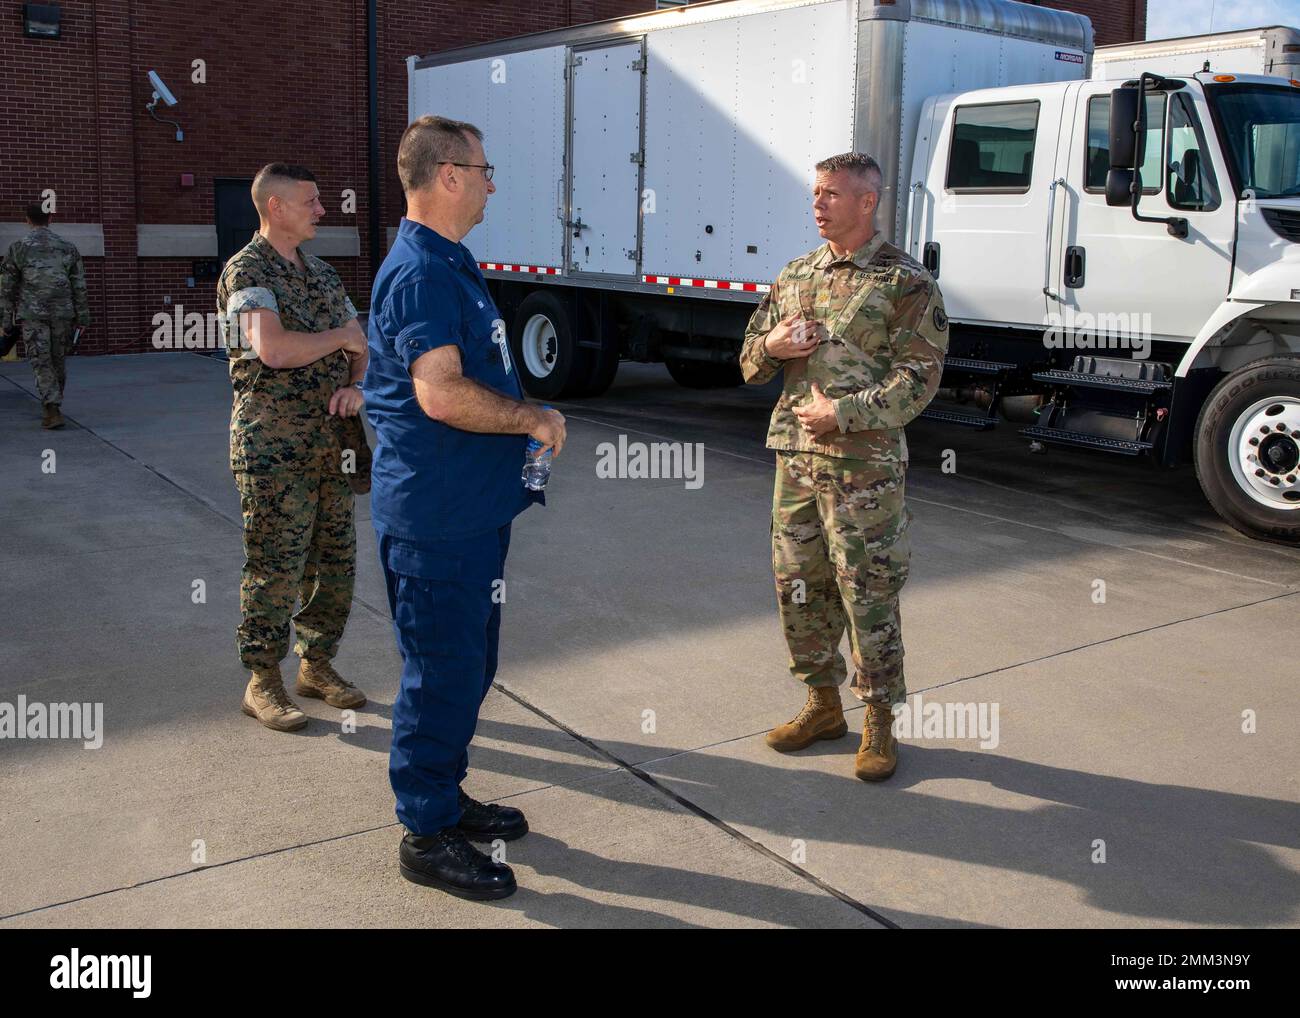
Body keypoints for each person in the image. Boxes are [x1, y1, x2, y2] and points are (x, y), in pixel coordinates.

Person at [364, 115, 566, 901]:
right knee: (441, 674)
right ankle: (424, 834)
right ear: (448, 174)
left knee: (469, 667)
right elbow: (439, 393)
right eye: (484, 169)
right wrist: (532, 418)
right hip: (436, 521)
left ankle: (445, 799)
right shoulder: (421, 271)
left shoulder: (450, 260)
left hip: (469, 514)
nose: (490, 182)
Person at [739, 152, 948, 781]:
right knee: (799, 585)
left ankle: (879, 717)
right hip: (796, 462)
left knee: (868, 588)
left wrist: (848, 412)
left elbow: (922, 378)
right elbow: (749, 360)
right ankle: (822, 704)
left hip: (865, 467)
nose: (819, 204)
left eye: (833, 194)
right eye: (816, 193)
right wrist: (772, 347)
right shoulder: (796, 274)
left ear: (867, 202)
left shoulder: (905, 283)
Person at [217, 163, 369, 733]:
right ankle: (262, 680)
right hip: (273, 444)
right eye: (312, 201)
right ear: (275, 206)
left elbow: (362, 344)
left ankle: (317, 664)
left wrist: (354, 384)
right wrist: (342, 340)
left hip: (332, 442)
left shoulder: (324, 273)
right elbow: (273, 349)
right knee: (275, 564)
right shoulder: (246, 272)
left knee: (334, 562)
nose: (322, 210)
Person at [0, 204, 91, 429]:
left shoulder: (18, 248)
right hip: (63, 313)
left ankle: (52, 407)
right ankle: (54, 404)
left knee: (41, 360)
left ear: (27, 220)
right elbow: (79, 285)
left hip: (33, 314)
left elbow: (6, 288)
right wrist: (83, 317)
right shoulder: (67, 247)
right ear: (50, 218)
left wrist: (5, 321)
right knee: (58, 359)